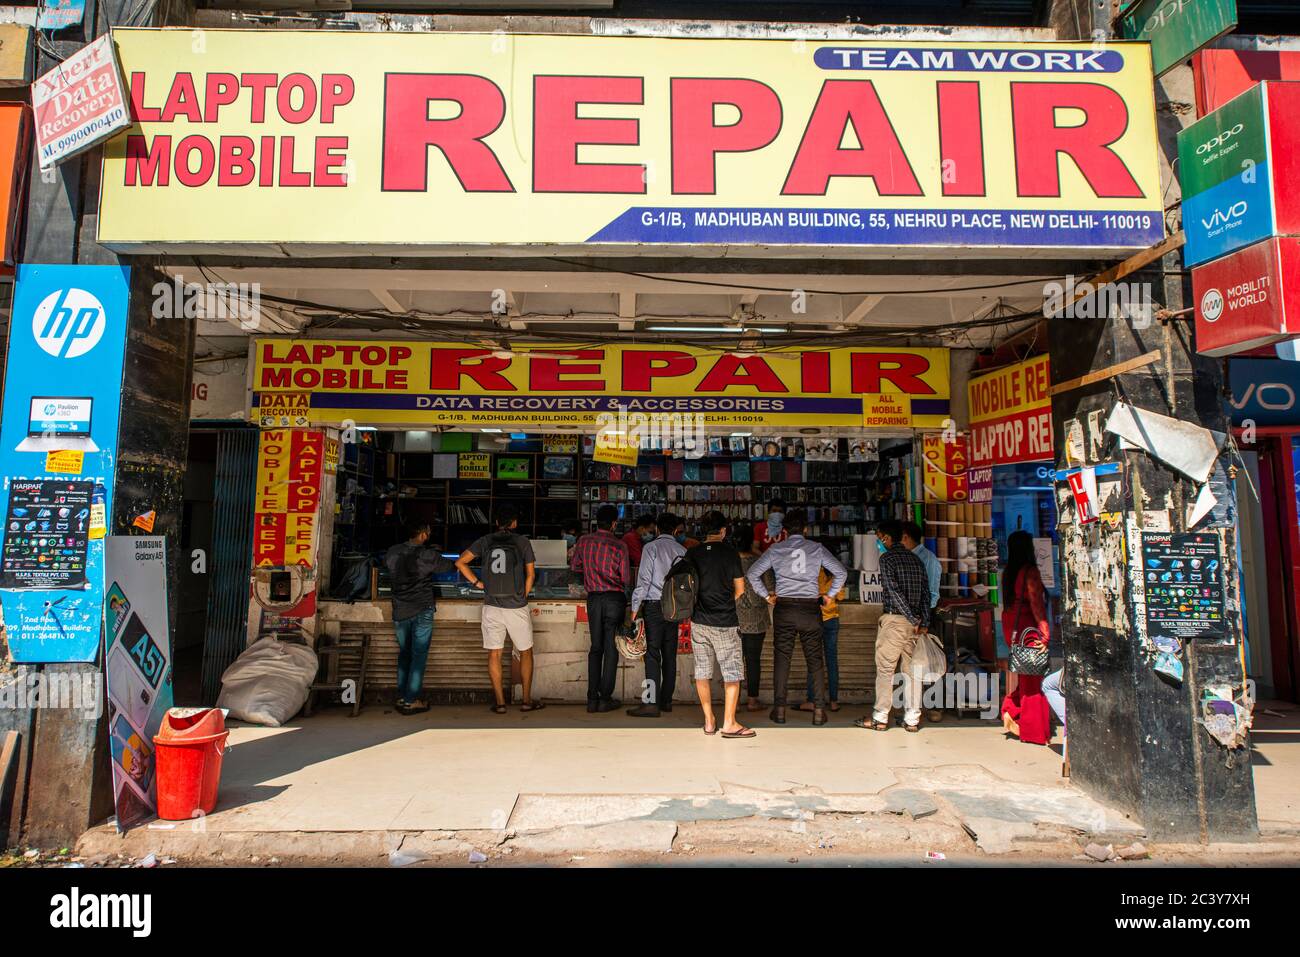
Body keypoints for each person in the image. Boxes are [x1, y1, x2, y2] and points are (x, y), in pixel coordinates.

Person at [746, 508, 847, 726]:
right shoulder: (816, 548)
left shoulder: (776, 549)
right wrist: (829, 596)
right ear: (805, 529)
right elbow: (841, 572)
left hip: (784, 608)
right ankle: (819, 711)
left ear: (784, 530)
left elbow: (753, 573)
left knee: (782, 659)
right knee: (815, 660)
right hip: (810, 609)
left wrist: (767, 596)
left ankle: (779, 710)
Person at [455, 504, 543, 715]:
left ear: (496, 523)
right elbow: (530, 574)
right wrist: (523, 593)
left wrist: (477, 583)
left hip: (492, 606)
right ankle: (526, 700)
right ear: (514, 523)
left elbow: (460, 562)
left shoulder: (485, 541)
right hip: (516, 606)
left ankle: (501, 703)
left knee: (494, 653)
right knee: (525, 652)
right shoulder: (521, 541)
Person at [857, 519, 931, 733]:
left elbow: (893, 590)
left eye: (880, 538)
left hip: (896, 621)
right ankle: (912, 719)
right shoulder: (916, 560)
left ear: (887, 538)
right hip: (916, 625)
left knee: (886, 670)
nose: (879, 542)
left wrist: (910, 617)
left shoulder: (887, 559)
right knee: (912, 671)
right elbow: (926, 593)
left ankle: (880, 717)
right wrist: (922, 621)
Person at [686, 511, 754, 738]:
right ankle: (729, 723)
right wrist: (725, 601)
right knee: (731, 673)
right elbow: (740, 589)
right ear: (723, 531)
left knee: (702, 672)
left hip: (699, 621)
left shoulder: (692, 553)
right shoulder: (730, 553)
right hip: (725, 621)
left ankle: (708, 721)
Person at [384, 520, 456, 714]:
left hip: (400, 610)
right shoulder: (428, 555)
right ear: (424, 534)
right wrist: (437, 553)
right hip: (422, 609)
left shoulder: (392, 552)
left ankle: (402, 697)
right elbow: (450, 566)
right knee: (418, 655)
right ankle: (411, 700)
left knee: (404, 654)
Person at [571, 503, 631, 713]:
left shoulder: (584, 541)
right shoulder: (619, 545)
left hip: (594, 599)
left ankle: (591, 699)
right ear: (614, 523)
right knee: (610, 647)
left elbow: (575, 567)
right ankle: (605, 698)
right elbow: (626, 578)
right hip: (614, 599)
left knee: (595, 648)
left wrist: (590, 571)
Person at [628, 511, 686, 717]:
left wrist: (634, 612)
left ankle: (651, 703)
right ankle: (666, 701)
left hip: (654, 606)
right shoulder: (682, 550)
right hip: (675, 608)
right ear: (676, 530)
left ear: (658, 529)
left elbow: (643, 582)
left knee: (653, 655)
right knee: (670, 655)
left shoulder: (650, 548)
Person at [999, 530, 1052, 745]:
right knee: (1033, 681)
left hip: (1012, 627)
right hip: (1028, 628)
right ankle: (1032, 730)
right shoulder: (1030, 572)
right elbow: (1036, 604)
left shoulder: (1008, 572)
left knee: (1027, 675)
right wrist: (1045, 633)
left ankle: (1010, 709)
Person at [902, 521, 942, 720]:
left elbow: (933, 594)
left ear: (906, 537)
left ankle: (929, 707)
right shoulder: (906, 558)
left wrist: (922, 620)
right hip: (908, 618)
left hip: (922, 619)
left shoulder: (929, 560)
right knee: (909, 665)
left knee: (923, 664)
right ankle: (911, 707)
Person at [798, 564, 846, 713]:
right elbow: (841, 596)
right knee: (832, 661)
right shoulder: (836, 577)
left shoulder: (810, 572)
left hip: (815, 620)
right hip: (832, 619)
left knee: (814, 660)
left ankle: (812, 700)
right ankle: (833, 701)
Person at [737, 543, 772, 713]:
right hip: (756, 620)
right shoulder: (760, 561)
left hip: (734, 619)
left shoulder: (731, 561)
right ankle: (752, 700)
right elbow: (770, 588)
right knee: (753, 661)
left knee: (734, 661)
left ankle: (733, 702)